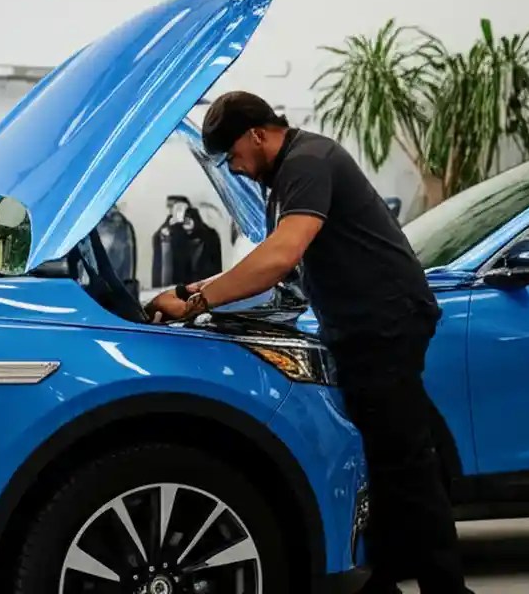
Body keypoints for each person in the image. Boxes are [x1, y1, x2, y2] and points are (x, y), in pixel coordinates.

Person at [147, 91, 473, 594]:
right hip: (359, 326)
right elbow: (275, 263)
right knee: (383, 459)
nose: (234, 169)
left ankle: (445, 588)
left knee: (405, 461)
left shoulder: (308, 162)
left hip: (385, 325)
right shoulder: (288, 172)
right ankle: (382, 578)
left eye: (233, 155)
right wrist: (195, 291)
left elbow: (280, 255)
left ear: (256, 134)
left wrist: (196, 301)